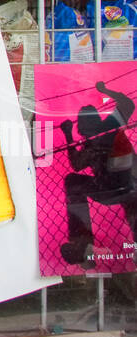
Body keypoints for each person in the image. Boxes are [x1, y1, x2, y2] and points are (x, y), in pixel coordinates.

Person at [59, 79, 137, 265]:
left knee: (73, 182)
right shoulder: (94, 139)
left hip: (125, 185)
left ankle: (82, 241)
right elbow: (77, 165)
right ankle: (83, 244)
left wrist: (106, 90)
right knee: (73, 181)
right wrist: (69, 134)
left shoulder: (107, 127)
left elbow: (128, 104)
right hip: (117, 187)